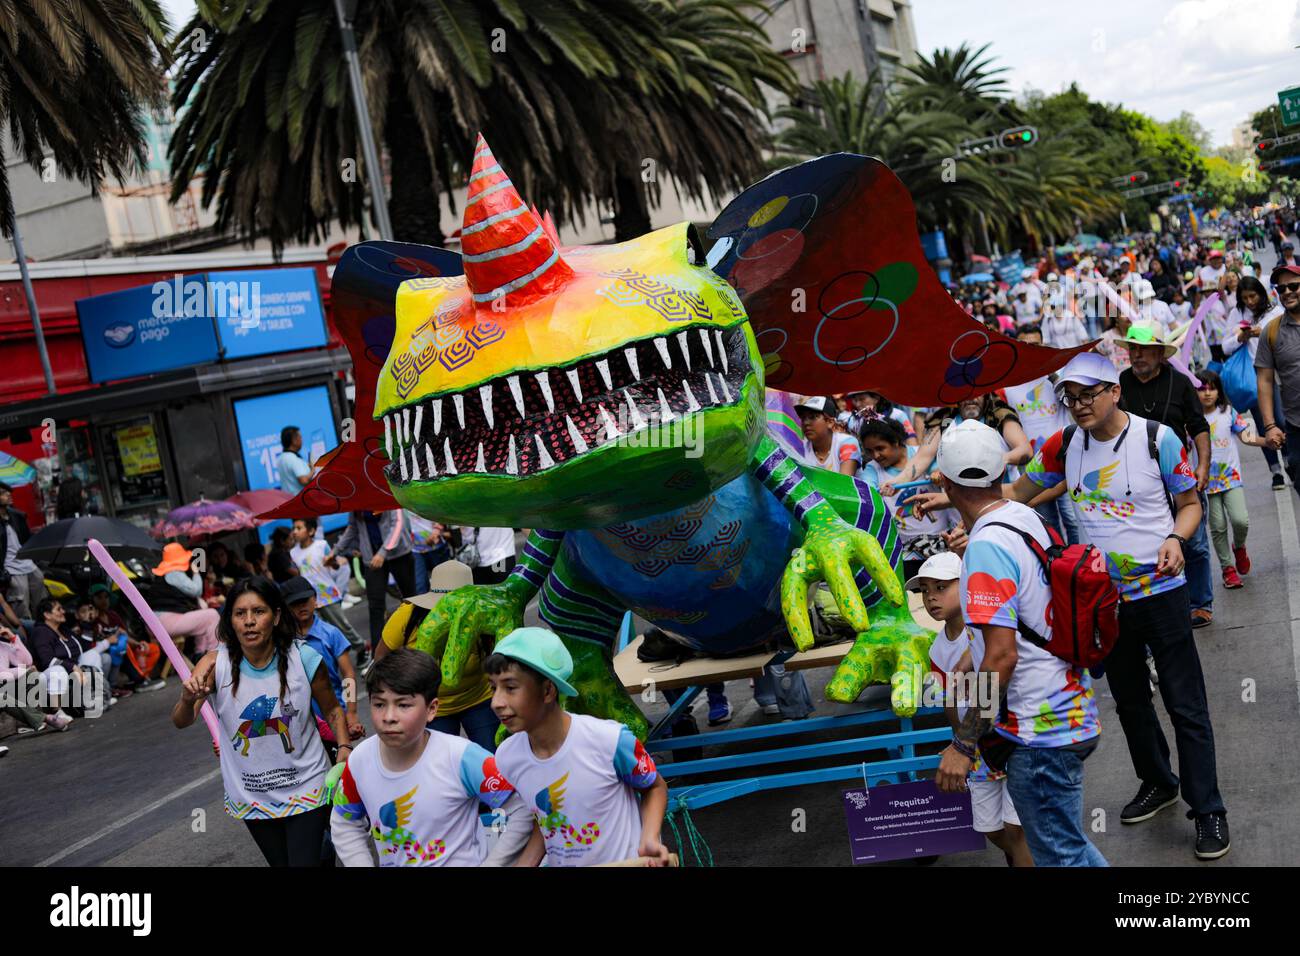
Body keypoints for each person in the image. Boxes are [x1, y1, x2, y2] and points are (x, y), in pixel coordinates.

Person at [926, 352, 1226, 861]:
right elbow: (1016, 494)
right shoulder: (1063, 444)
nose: (1079, 404)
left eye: (1090, 393)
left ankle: (1209, 810)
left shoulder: (1158, 439)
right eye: (1071, 396)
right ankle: (1158, 781)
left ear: (1115, 391)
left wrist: (1177, 538)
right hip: (1102, 602)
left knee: (1185, 705)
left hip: (1160, 593)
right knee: (1131, 701)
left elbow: (1191, 501)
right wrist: (964, 505)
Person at [927, 420, 1105, 867]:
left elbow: (1003, 656)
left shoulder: (985, 545)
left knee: (1061, 857)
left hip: (1037, 730)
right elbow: (1022, 613)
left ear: (946, 482)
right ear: (995, 474)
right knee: (1068, 850)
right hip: (1069, 707)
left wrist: (964, 745)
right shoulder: (1025, 517)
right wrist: (973, 653)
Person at [173, 576, 349, 867]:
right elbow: (181, 720)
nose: (249, 621)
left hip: (307, 784)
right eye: (240, 614)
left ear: (277, 616)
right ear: (230, 621)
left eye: (259, 612)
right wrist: (187, 698)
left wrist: (344, 746)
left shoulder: (305, 658)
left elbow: (332, 709)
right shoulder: (214, 665)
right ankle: (324, 852)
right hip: (251, 793)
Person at [330, 649, 533, 866]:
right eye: (379, 704)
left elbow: (521, 810)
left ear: (431, 709)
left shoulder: (462, 757)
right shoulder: (359, 761)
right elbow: (344, 821)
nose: (389, 717)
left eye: (403, 705)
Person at [487, 627, 671, 866]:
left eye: (510, 688)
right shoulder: (507, 756)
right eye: (493, 688)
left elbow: (655, 787)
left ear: (547, 691)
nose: (496, 702)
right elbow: (545, 818)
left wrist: (649, 837)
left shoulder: (609, 739)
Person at [911, 551, 1031, 867]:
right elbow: (947, 701)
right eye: (925, 590)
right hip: (973, 747)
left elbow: (998, 676)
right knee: (990, 827)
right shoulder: (937, 648)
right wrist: (958, 743)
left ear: (965, 585)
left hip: (1005, 735)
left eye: (940, 587)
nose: (931, 597)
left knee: (1016, 827)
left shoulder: (984, 628)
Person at [1118, 322, 1214, 629]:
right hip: (1139, 480)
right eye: (1132, 349)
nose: (1136, 355)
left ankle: (1200, 604)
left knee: (1195, 543)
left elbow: (1198, 426)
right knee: (1152, 545)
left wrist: (1203, 466)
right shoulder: (1121, 383)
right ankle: (1169, 606)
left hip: (1179, 475)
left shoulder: (1180, 382)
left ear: (1160, 353)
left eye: (1143, 349)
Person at [377, 561, 501, 752]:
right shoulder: (407, 616)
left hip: (479, 700)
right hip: (433, 709)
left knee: (493, 761)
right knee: (442, 768)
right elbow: (381, 660)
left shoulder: (484, 615)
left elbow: (499, 657)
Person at [1002, 325, 1080, 544]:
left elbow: (1073, 401)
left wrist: (1052, 373)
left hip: (1065, 462)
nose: (1031, 351)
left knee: (1073, 519)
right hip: (1033, 468)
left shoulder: (1058, 378)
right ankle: (1058, 564)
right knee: (1046, 521)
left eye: (1036, 346)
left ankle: (1079, 562)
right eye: (1025, 346)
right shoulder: (1008, 384)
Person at [858, 417, 957, 581]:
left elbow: (938, 470)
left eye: (880, 448)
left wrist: (938, 475)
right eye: (869, 451)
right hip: (906, 551)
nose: (875, 455)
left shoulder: (924, 454)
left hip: (942, 542)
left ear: (896, 441)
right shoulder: (871, 469)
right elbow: (867, 489)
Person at [1195, 370, 1265, 590]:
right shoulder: (1193, 418)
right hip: (1207, 483)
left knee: (1240, 520)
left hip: (1231, 478)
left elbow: (1246, 435)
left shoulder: (1228, 412)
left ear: (1219, 391)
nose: (1207, 393)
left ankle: (1240, 547)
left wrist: (1267, 442)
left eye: (1212, 388)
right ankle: (1228, 569)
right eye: (1201, 389)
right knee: (1217, 526)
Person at [280, 576, 364, 744]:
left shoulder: (330, 633)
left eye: (305, 600)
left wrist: (352, 712)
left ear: (315, 600)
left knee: (341, 763)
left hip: (332, 714)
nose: (301, 606)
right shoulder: (283, 640)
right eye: (295, 603)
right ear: (286, 608)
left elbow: (347, 673)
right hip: (299, 718)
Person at [1222, 275, 1285, 487]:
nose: (1250, 301)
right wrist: (1241, 337)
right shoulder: (1236, 314)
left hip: (1281, 374)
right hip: (1255, 377)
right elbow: (1225, 347)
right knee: (1264, 424)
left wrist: (1263, 333)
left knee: (1283, 420)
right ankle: (1275, 470)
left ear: (1261, 293)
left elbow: (1286, 338)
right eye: (1245, 297)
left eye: (1253, 296)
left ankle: (1288, 457)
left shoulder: (1275, 312)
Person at [332, 510, 416, 652]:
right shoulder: (356, 502)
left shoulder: (385, 492)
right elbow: (352, 528)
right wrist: (335, 551)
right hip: (372, 557)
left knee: (411, 599)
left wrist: (383, 552)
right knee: (375, 606)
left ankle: (417, 641)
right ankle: (377, 656)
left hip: (399, 553)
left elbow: (398, 524)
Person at [289, 517, 365, 653]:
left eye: (299, 528)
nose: (295, 531)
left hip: (328, 595)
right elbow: (299, 574)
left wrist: (332, 563)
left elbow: (335, 565)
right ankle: (333, 660)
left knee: (342, 626)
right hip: (310, 599)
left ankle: (361, 648)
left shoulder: (322, 545)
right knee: (318, 632)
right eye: (293, 528)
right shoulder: (293, 553)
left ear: (311, 531)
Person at [1256, 263, 1300, 492]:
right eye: (1281, 289)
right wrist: (1270, 425)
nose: (1287, 292)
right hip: (1295, 427)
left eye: (1293, 286)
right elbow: (1264, 380)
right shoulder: (1271, 331)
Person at [148, 543, 221, 663]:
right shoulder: (174, 573)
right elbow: (196, 590)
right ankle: (216, 654)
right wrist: (196, 572)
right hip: (165, 621)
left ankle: (200, 655)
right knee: (212, 615)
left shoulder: (166, 575)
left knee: (202, 619)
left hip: (160, 621)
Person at [0, 623, 73, 732]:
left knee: (31, 675)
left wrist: (14, 639)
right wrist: (24, 670)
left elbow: (27, 661)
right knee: (2, 697)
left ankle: (35, 720)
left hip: (5, 687)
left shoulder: (2, 646)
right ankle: (44, 718)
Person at [0, 481, 43, 621]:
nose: (8, 494)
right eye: (3, 493)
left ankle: (44, 625)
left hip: (27, 562)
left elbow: (27, 537)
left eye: (8, 491)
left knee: (40, 591)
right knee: (21, 602)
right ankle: (28, 634)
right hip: (10, 568)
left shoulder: (17, 516)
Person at [795, 395, 862, 476]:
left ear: (830, 422)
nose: (805, 423)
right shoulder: (800, 447)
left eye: (812, 417)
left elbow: (844, 484)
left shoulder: (847, 443)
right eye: (803, 418)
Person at [407, 511, 453, 595]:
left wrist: (436, 532)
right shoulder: (401, 500)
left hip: (437, 548)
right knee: (420, 586)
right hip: (416, 550)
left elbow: (441, 510)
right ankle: (423, 607)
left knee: (443, 585)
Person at [277, 426, 313, 493]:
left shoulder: (281, 458)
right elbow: (304, 481)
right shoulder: (294, 459)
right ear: (294, 440)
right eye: (300, 437)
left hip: (288, 499)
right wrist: (313, 470)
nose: (302, 440)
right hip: (300, 500)